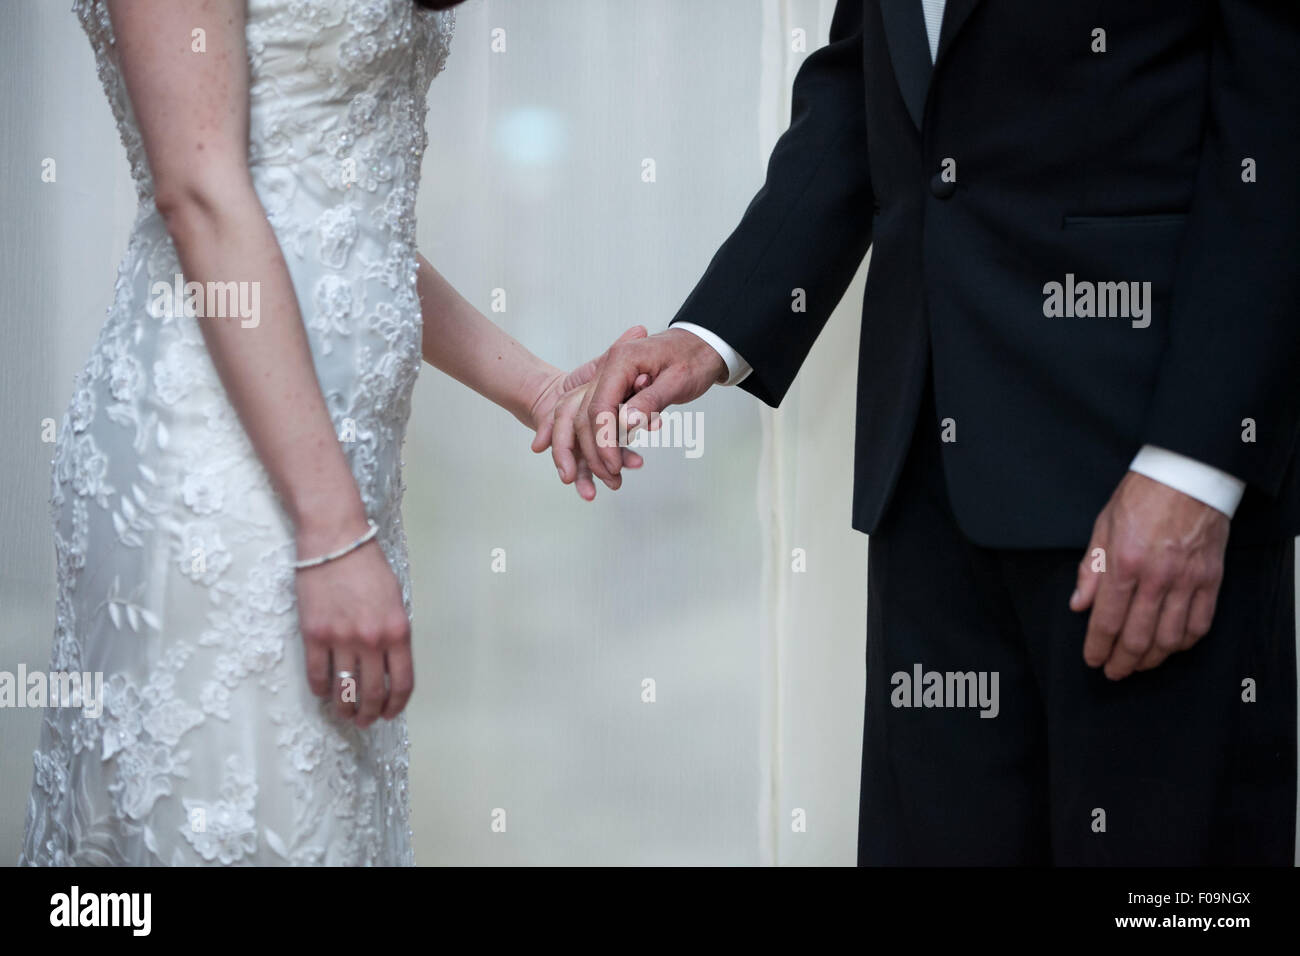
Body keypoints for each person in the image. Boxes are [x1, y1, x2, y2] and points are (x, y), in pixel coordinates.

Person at [547, 0, 1300, 864]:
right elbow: (861, 89)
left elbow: (1280, 129)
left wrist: (1197, 465)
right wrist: (711, 336)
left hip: (1144, 481)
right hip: (926, 476)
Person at [22, 0, 633, 867]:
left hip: (336, 473)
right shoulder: (317, 521)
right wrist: (331, 531)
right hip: (217, 466)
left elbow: (344, 227)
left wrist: (538, 389)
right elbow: (199, 197)